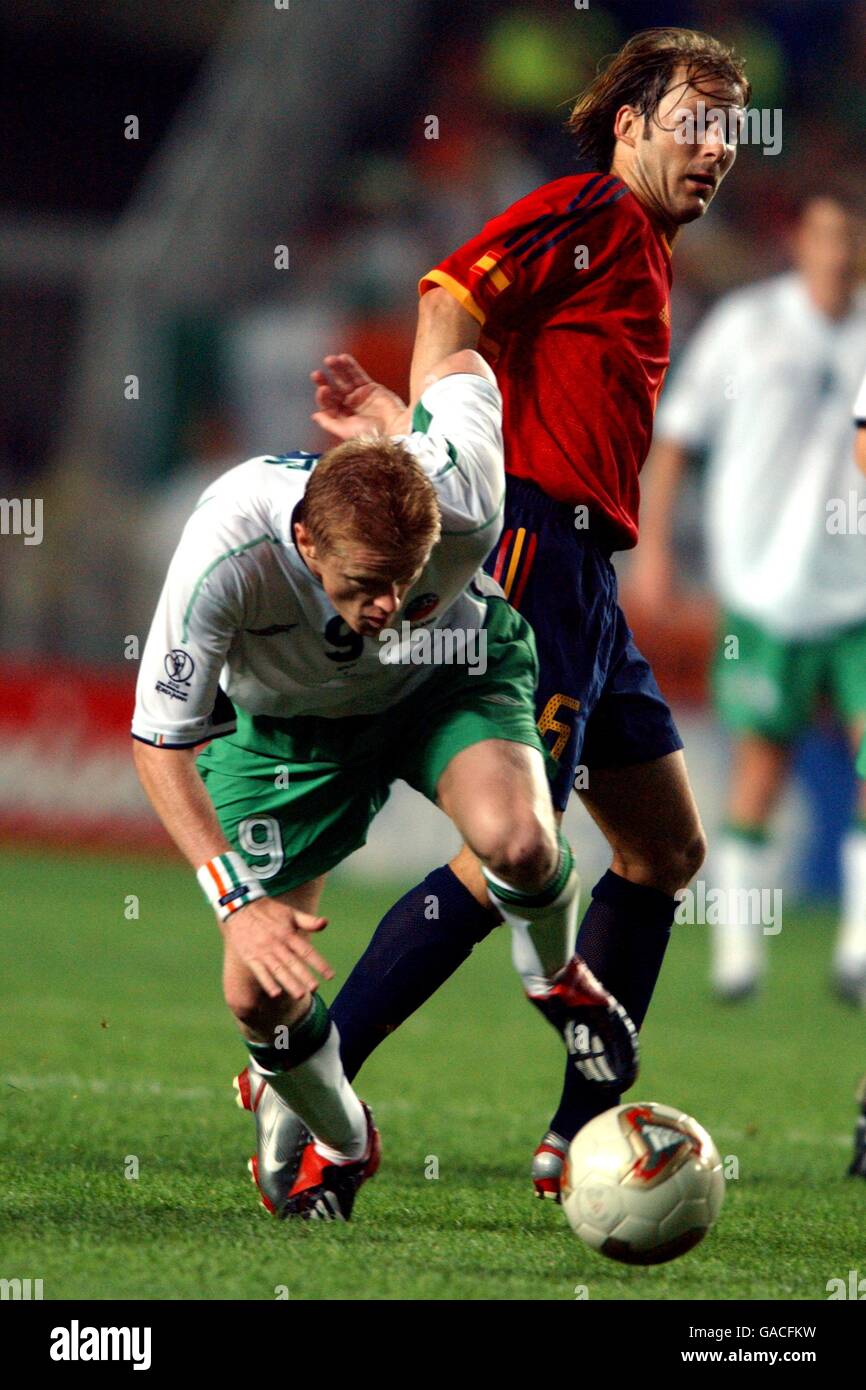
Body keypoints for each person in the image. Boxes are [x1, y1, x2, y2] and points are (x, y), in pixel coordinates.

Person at [319, 26, 749, 1199]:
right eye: (693, 121)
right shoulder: (592, 211)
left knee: (662, 849)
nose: (716, 148)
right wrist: (426, 467)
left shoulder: (645, 247)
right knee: (513, 853)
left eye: (729, 129)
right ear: (629, 124)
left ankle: (579, 1137)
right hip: (532, 553)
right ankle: (313, 1079)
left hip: (586, 575)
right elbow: (449, 299)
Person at [131, 348, 637, 1222]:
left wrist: (399, 416)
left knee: (520, 842)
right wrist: (236, 902)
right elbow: (159, 745)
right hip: (289, 731)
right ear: (305, 543)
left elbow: (467, 361)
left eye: (407, 581)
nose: (388, 608)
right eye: (366, 585)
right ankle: (345, 1139)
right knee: (259, 997)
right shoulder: (224, 553)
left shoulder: (465, 493)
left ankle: (555, 974)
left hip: (445, 678)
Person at [635, 191, 866, 1001]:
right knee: (762, 766)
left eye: (852, 236)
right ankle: (738, 955)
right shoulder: (748, 326)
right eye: (827, 235)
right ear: (800, 241)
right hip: (766, 585)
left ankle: (858, 950)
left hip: (859, 589)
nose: (839, 251)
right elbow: (678, 438)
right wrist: (654, 547)